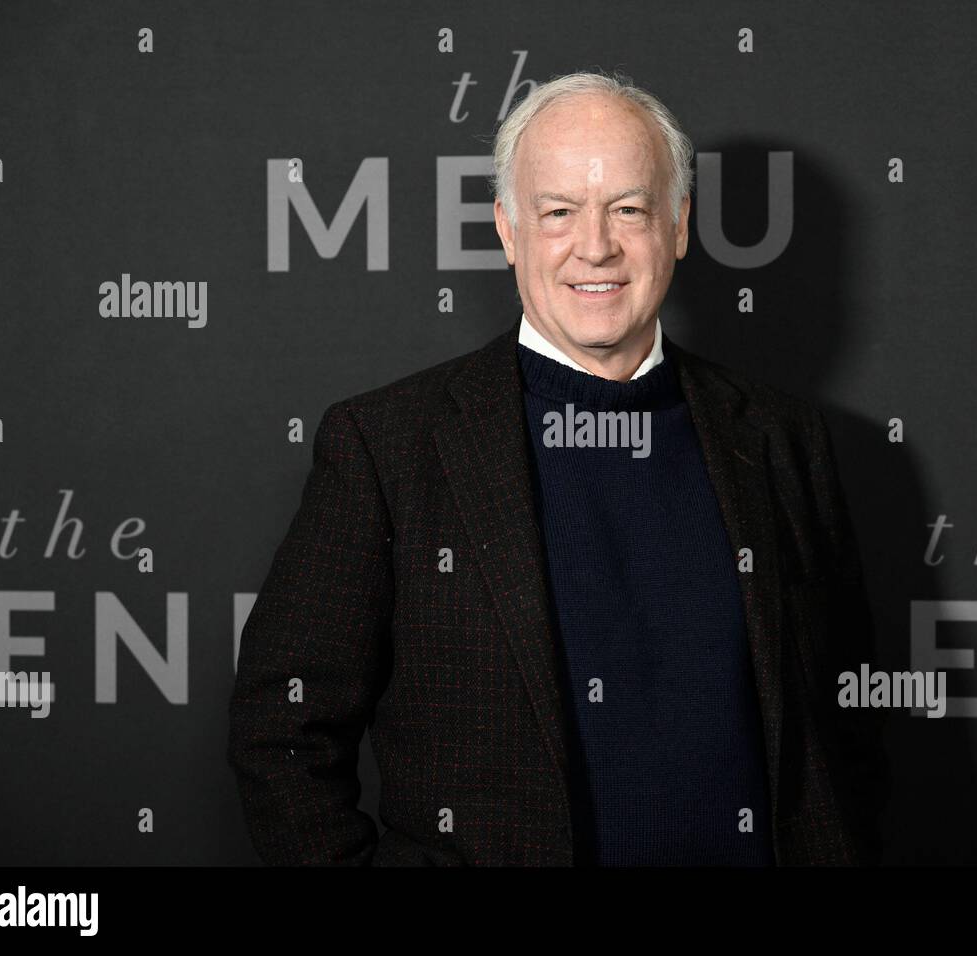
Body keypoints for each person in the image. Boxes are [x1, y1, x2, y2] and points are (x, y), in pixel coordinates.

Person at [227, 70, 888, 866]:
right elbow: (282, 730)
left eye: (629, 210)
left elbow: (846, 724)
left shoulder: (784, 441)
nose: (596, 245)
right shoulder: (388, 446)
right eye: (559, 213)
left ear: (678, 225)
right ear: (508, 230)